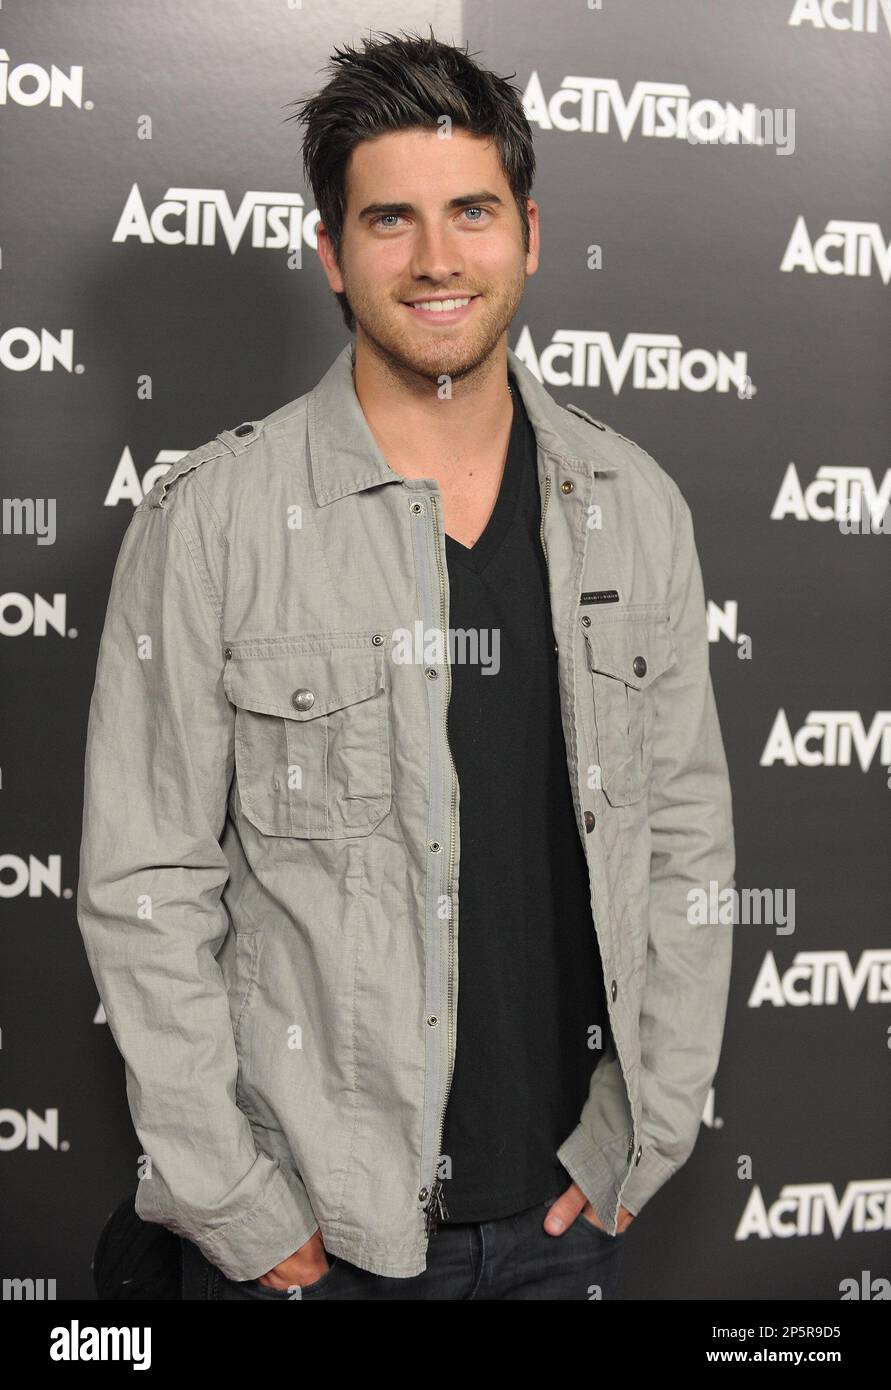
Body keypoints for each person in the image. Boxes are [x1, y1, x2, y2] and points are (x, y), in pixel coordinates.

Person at [77, 28, 735, 1301]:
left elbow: (686, 840)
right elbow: (144, 883)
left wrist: (648, 1118)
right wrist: (235, 1200)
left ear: (530, 232)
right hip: (313, 1236)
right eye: (390, 220)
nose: (437, 259)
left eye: (471, 212)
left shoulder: (635, 504)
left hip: (566, 1215)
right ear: (331, 252)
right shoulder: (210, 521)